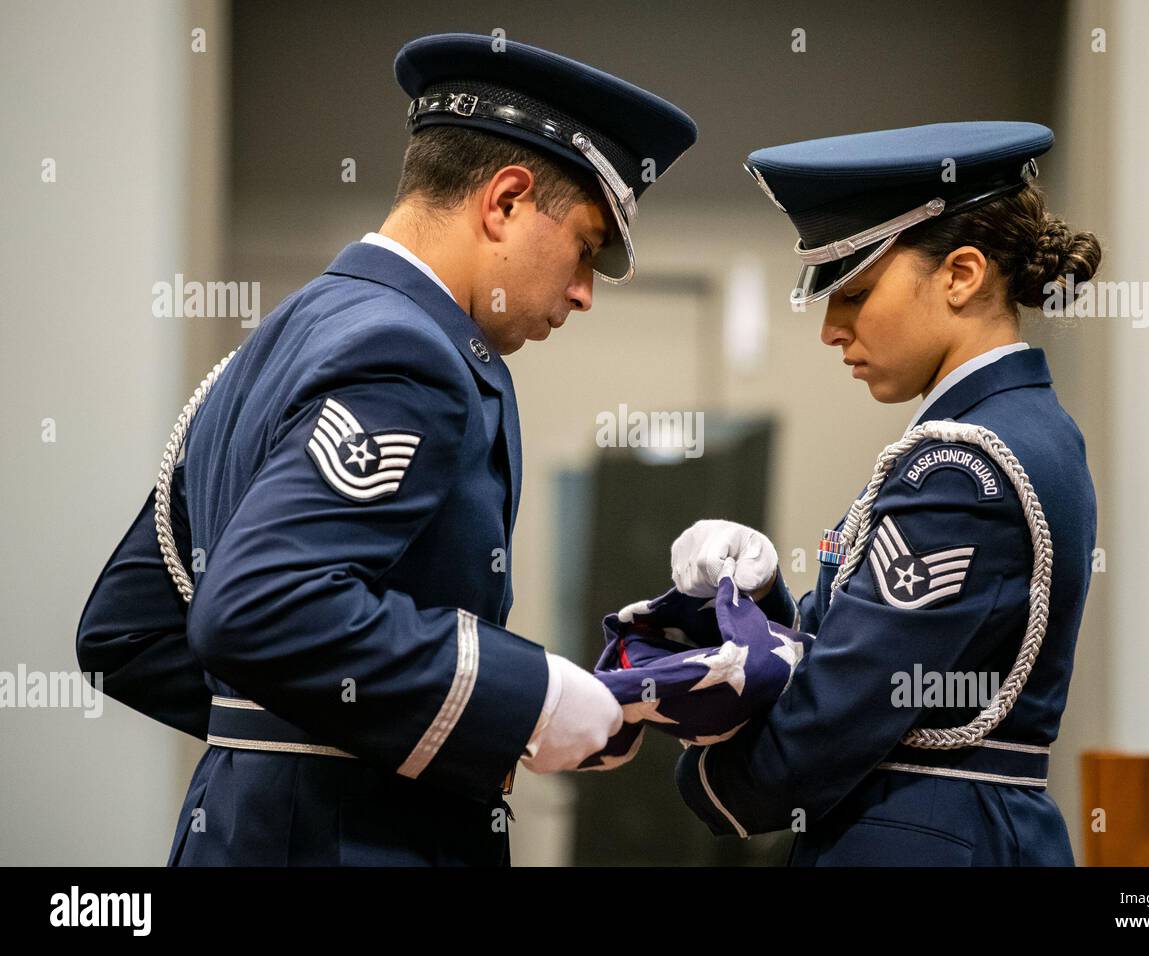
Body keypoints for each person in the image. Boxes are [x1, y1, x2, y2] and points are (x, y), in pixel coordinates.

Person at [75, 32, 697, 866]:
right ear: (505, 201)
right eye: (586, 247)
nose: (584, 292)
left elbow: (128, 633)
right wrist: (527, 699)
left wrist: (308, 730)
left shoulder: (286, 336)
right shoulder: (408, 354)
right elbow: (258, 606)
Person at [670, 121, 1101, 865]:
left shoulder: (966, 465)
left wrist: (710, 781)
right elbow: (862, 649)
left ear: (961, 275)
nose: (831, 330)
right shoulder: (1007, 430)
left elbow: (848, 701)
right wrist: (765, 594)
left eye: (857, 291)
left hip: (925, 835)